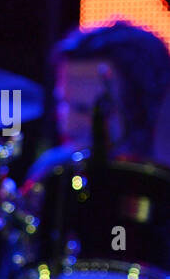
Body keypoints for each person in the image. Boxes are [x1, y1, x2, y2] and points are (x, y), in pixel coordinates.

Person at [30, 19, 170, 175]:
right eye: (63, 104)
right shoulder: (52, 170)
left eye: (89, 110)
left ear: (143, 110)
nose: (68, 125)